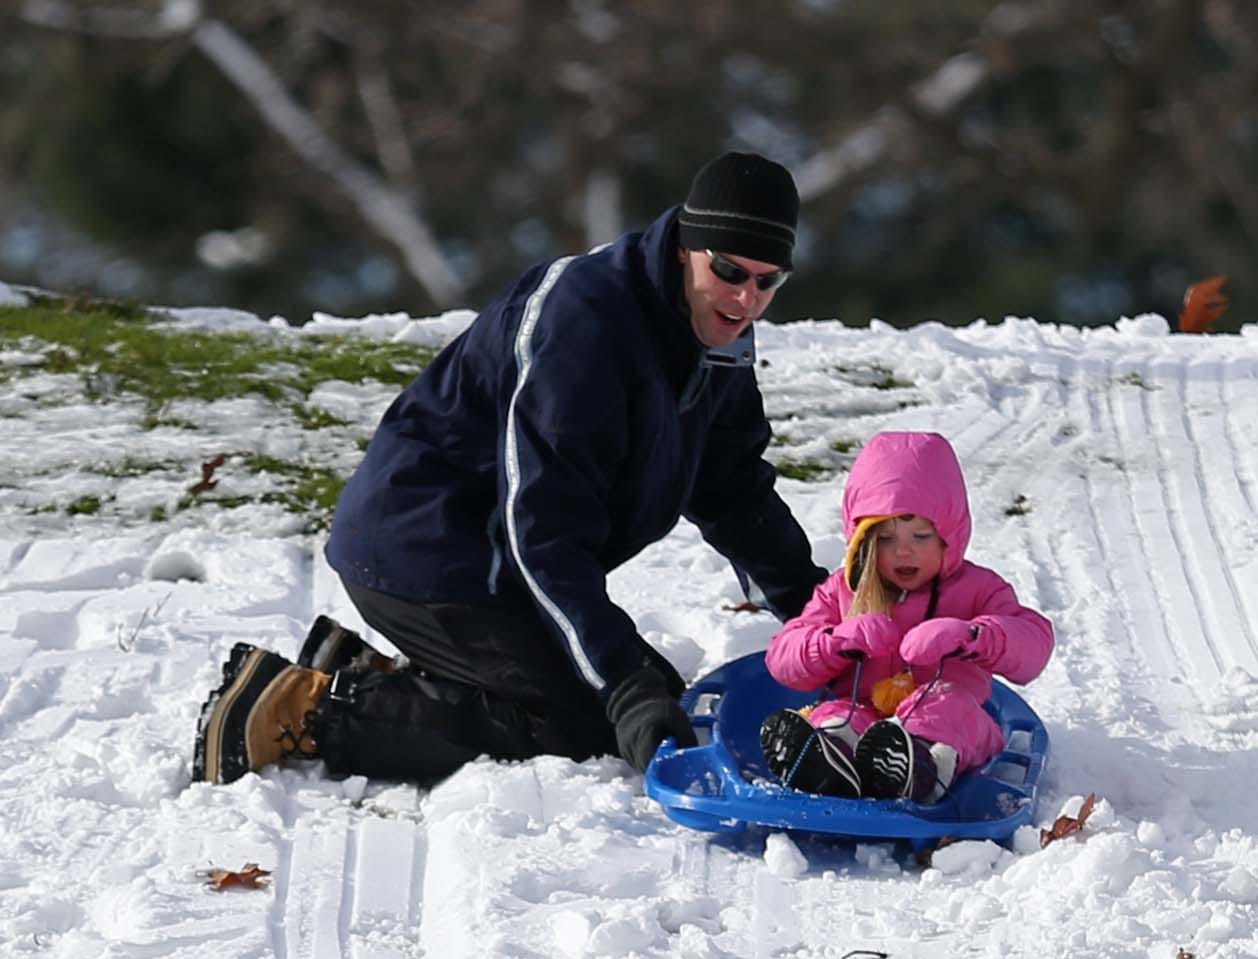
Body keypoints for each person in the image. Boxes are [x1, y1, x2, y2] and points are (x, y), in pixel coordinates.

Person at [191, 151, 826, 787]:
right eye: (729, 271)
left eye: (769, 282)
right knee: (589, 723)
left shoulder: (716, 330)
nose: (747, 299)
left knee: (659, 695)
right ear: (688, 245)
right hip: (427, 550)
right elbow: (544, 530)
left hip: (497, 562)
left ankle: (382, 676)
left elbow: (732, 485)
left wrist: (821, 616)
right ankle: (302, 710)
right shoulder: (585, 322)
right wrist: (620, 684)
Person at [760, 431, 1052, 802]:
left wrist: (972, 635)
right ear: (862, 539)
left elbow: (1033, 645)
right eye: (884, 538)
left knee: (945, 707)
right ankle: (829, 762)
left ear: (949, 536)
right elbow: (784, 658)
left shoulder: (978, 589)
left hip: (953, 726)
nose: (903, 552)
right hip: (866, 717)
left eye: (920, 536)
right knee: (836, 714)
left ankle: (918, 768)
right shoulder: (843, 591)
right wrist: (836, 641)